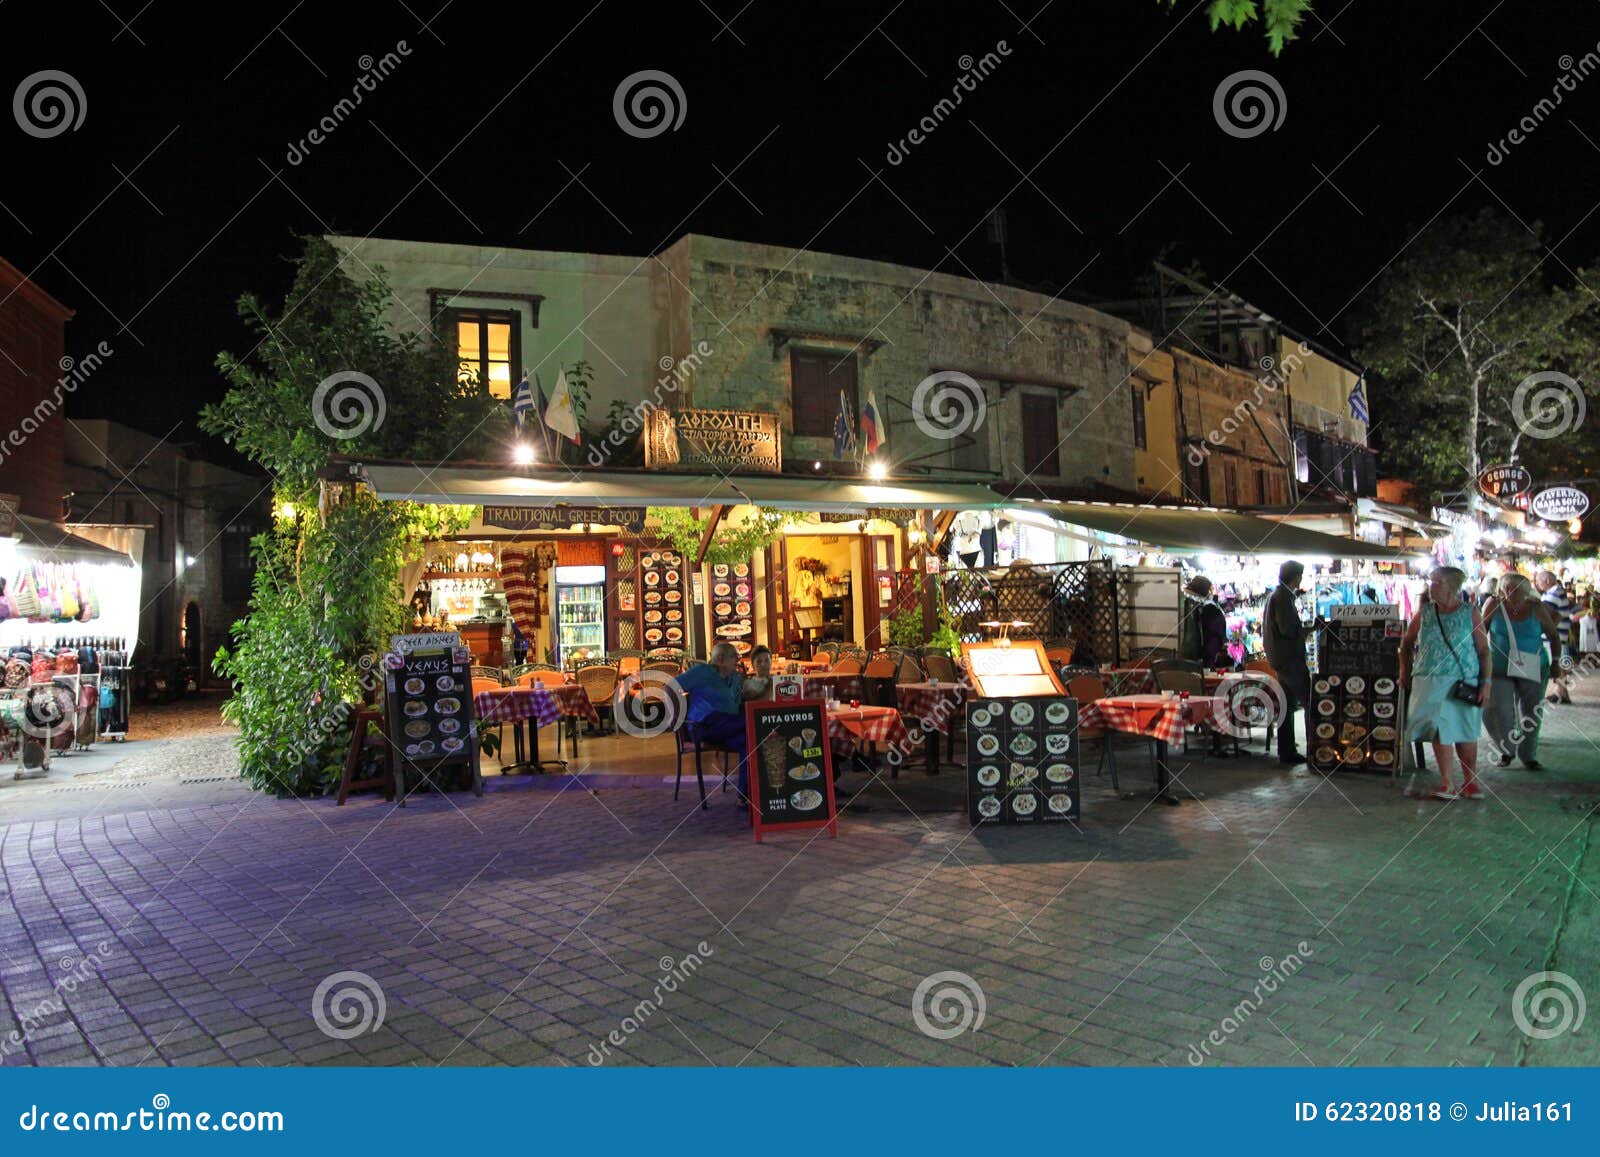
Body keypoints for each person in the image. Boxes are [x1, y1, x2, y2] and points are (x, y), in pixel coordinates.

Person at [1400, 566, 1491, 800]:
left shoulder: (1471, 613)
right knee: (1439, 729)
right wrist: (1405, 671)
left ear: (1451, 585)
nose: (1431, 586)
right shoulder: (1425, 613)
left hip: (1463, 680)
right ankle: (1447, 783)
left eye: (1436, 582)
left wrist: (1486, 683)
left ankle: (1469, 783)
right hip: (1429, 679)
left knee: (1465, 732)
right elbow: (1407, 643)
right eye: (1430, 581)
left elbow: (1483, 651)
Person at [1481, 573, 1561, 770]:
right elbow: (1480, 632)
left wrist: (1556, 663)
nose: (1511, 593)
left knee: (1531, 711)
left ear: (1526, 591)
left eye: (1516, 589)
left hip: (1533, 665)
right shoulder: (1493, 604)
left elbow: (1553, 635)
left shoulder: (1536, 607)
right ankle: (1506, 750)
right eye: (1507, 588)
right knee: (1496, 710)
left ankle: (1528, 755)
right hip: (1499, 668)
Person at [675, 642, 750, 798]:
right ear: (721, 659)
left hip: (728, 727)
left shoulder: (735, 677)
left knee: (748, 742)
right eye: (734, 657)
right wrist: (675, 720)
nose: (737, 661)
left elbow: (741, 699)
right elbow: (670, 686)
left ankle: (743, 797)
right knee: (751, 721)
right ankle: (761, 722)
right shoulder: (703, 671)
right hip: (703, 725)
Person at [1262, 561, 1312, 765]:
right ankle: (1314, 748)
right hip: (1289, 660)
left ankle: (1287, 751)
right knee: (1309, 702)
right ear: (1296, 577)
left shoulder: (1277, 596)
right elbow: (1287, 630)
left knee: (1287, 706)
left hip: (1281, 660)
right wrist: (1309, 630)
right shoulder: (1282, 598)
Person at [1536, 570, 1576, 703]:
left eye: (1539, 581)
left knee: (1557, 665)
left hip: (1555, 636)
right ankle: (1561, 692)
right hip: (1559, 635)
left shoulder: (1553, 594)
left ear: (1547, 581)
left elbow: (1545, 613)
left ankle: (1562, 694)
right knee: (1559, 664)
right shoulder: (1556, 592)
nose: (1537, 584)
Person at [1182, 576, 1229, 669]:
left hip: (1208, 658)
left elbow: (1212, 636)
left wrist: (1207, 658)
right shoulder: (1207, 607)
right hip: (1208, 656)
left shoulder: (1208, 608)